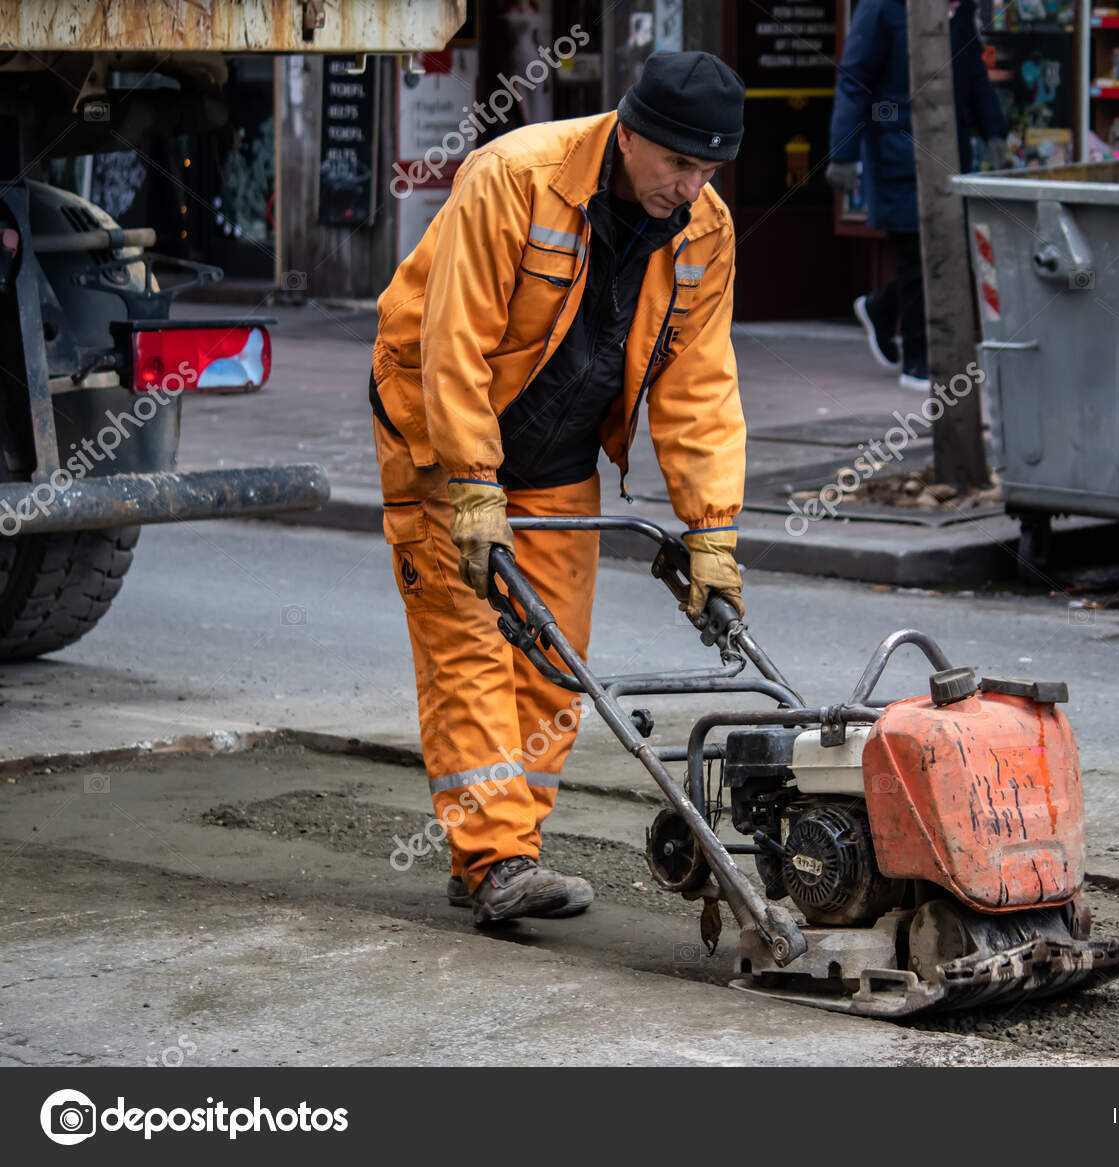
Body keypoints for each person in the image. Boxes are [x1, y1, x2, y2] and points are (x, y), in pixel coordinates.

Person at [368, 51, 748, 926]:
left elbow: (699, 388)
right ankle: (499, 857)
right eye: (679, 164)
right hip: (441, 439)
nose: (692, 187)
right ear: (630, 133)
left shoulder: (704, 230)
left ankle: (499, 854)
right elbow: (451, 342)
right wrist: (470, 483)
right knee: (470, 652)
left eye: (709, 170)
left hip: (561, 457)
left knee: (553, 665)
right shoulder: (512, 179)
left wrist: (712, 535)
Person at [827, 0, 1007, 391]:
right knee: (916, 253)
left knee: (946, 250)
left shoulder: (960, 12)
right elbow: (854, 79)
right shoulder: (880, 8)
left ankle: (882, 309)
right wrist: (842, 153)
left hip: (948, 152)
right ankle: (917, 361)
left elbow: (973, 74)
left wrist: (994, 130)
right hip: (897, 150)